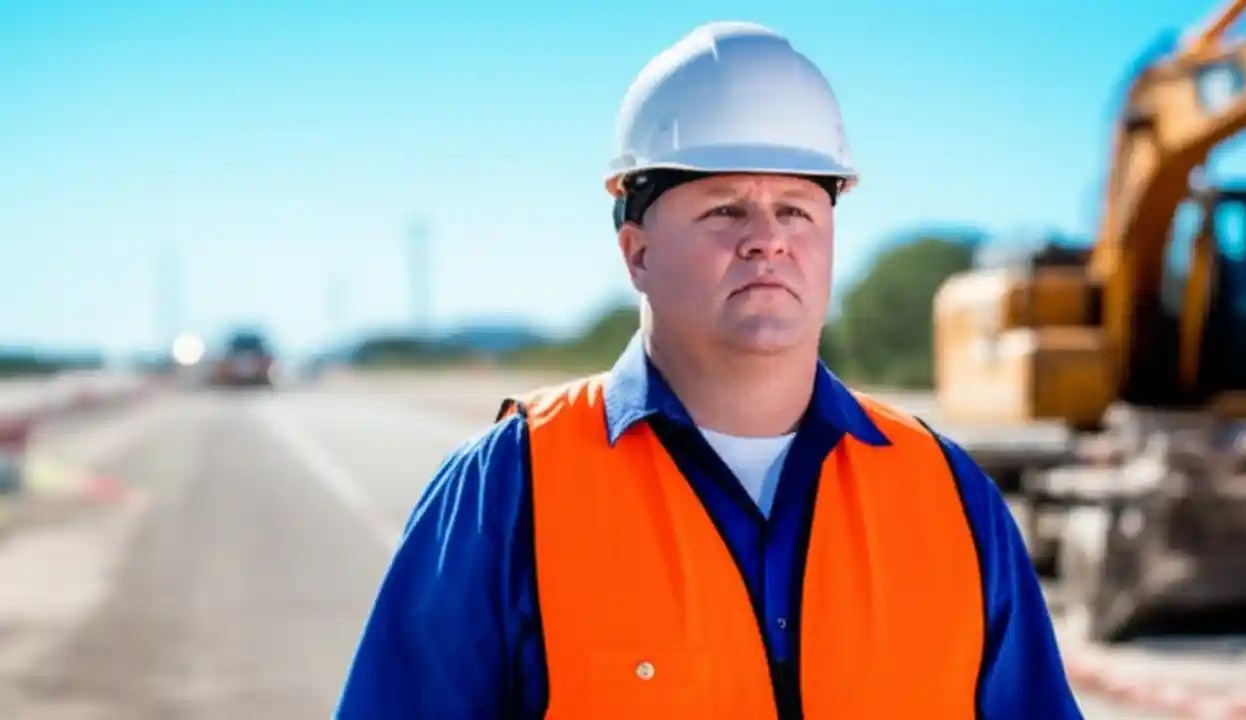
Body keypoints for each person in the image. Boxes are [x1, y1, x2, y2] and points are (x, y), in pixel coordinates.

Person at [334, 21, 1084, 719]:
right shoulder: (507, 488)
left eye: (796, 209)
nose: (767, 240)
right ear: (638, 253)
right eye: (724, 208)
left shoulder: (948, 496)